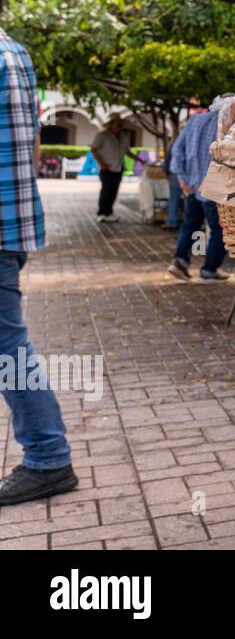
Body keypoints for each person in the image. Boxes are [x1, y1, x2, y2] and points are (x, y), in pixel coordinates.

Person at [0, 27, 78, 505]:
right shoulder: (16, 52)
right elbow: (29, 144)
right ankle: (48, 456)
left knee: (8, 344)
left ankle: (48, 457)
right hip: (10, 221)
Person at [166, 108, 229, 282]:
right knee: (219, 230)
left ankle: (180, 262)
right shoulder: (229, 121)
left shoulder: (195, 120)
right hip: (214, 188)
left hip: (192, 185)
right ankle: (208, 270)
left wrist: (181, 178)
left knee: (192, 225)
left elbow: (177, 149)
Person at [89, 113, 131, 222]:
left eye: (120, 124)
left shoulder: (123, 136)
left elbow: (128, 151)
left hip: (118, 167)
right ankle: (102, 213)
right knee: (106, 191)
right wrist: (101, 164)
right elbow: (93, 149)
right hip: (106, 168)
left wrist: (140, 160)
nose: (119, 126)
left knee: (114, 191)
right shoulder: (102, 135)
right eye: (117, 123)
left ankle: (109, 212)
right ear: (111, 124)